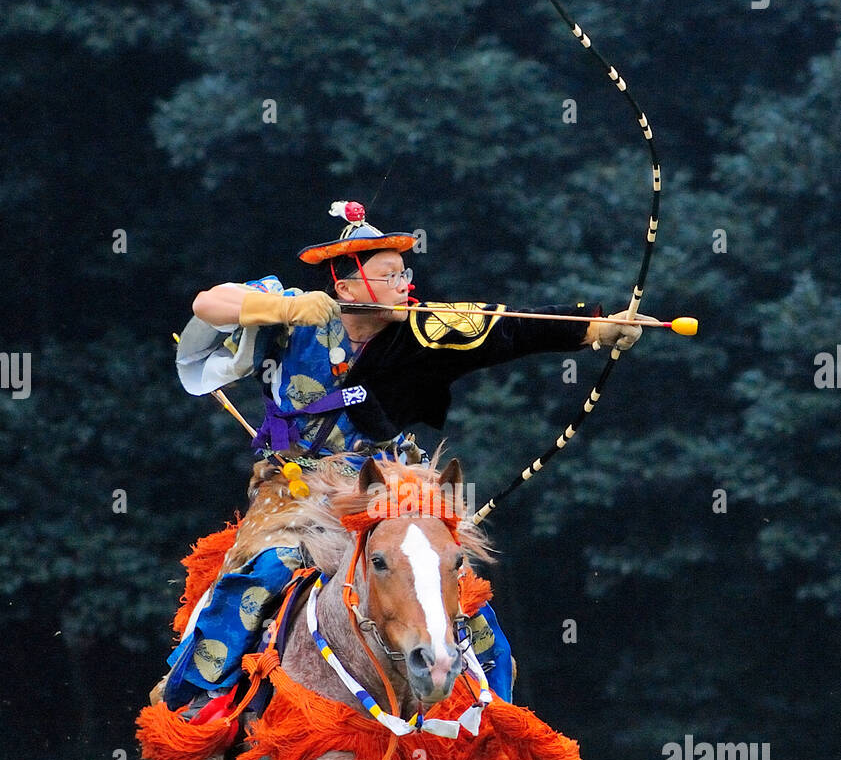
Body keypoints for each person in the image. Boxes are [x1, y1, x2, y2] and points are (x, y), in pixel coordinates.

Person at [162, 201, 642, 711]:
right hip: (296, 490)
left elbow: (505, 329)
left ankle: (495, 718)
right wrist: (283, 309)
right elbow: (209, 304)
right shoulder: (293, 316)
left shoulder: (416, 332)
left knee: (459, 595)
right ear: (345, 289)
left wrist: (596, 329)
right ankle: (202, 706)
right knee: (266, 572)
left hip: (386, 485)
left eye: (403, 274)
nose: (403, 286)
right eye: (387, 276)